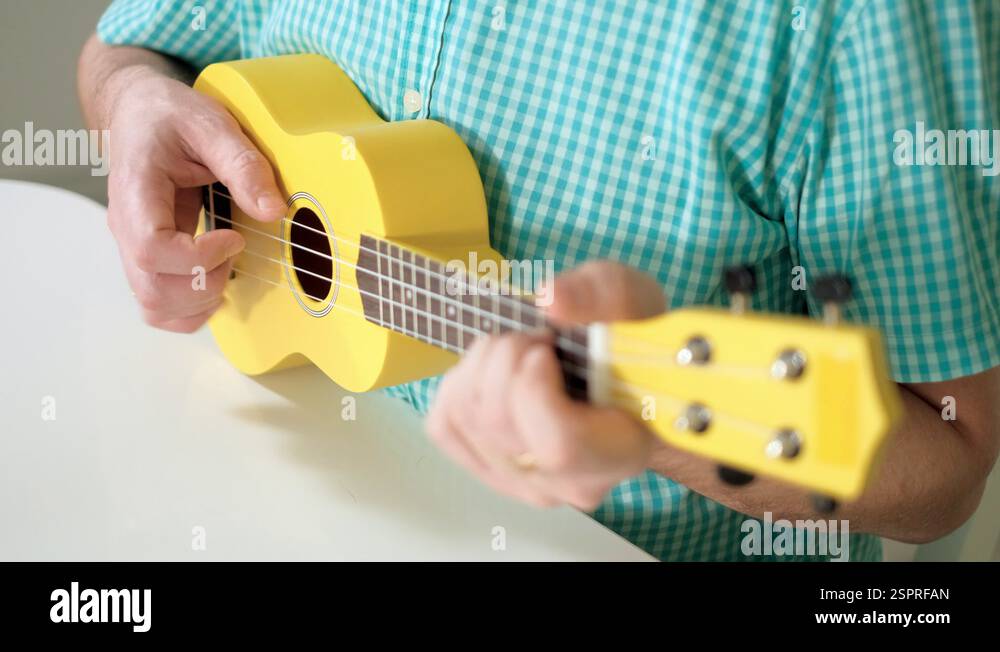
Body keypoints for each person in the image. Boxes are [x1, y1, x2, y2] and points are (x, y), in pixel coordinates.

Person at [78, 0, 1000, 561]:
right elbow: (125, 49)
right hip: (279, 471)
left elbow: (946, 469)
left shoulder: (873, 20)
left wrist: (638, 414)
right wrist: (132, 103)